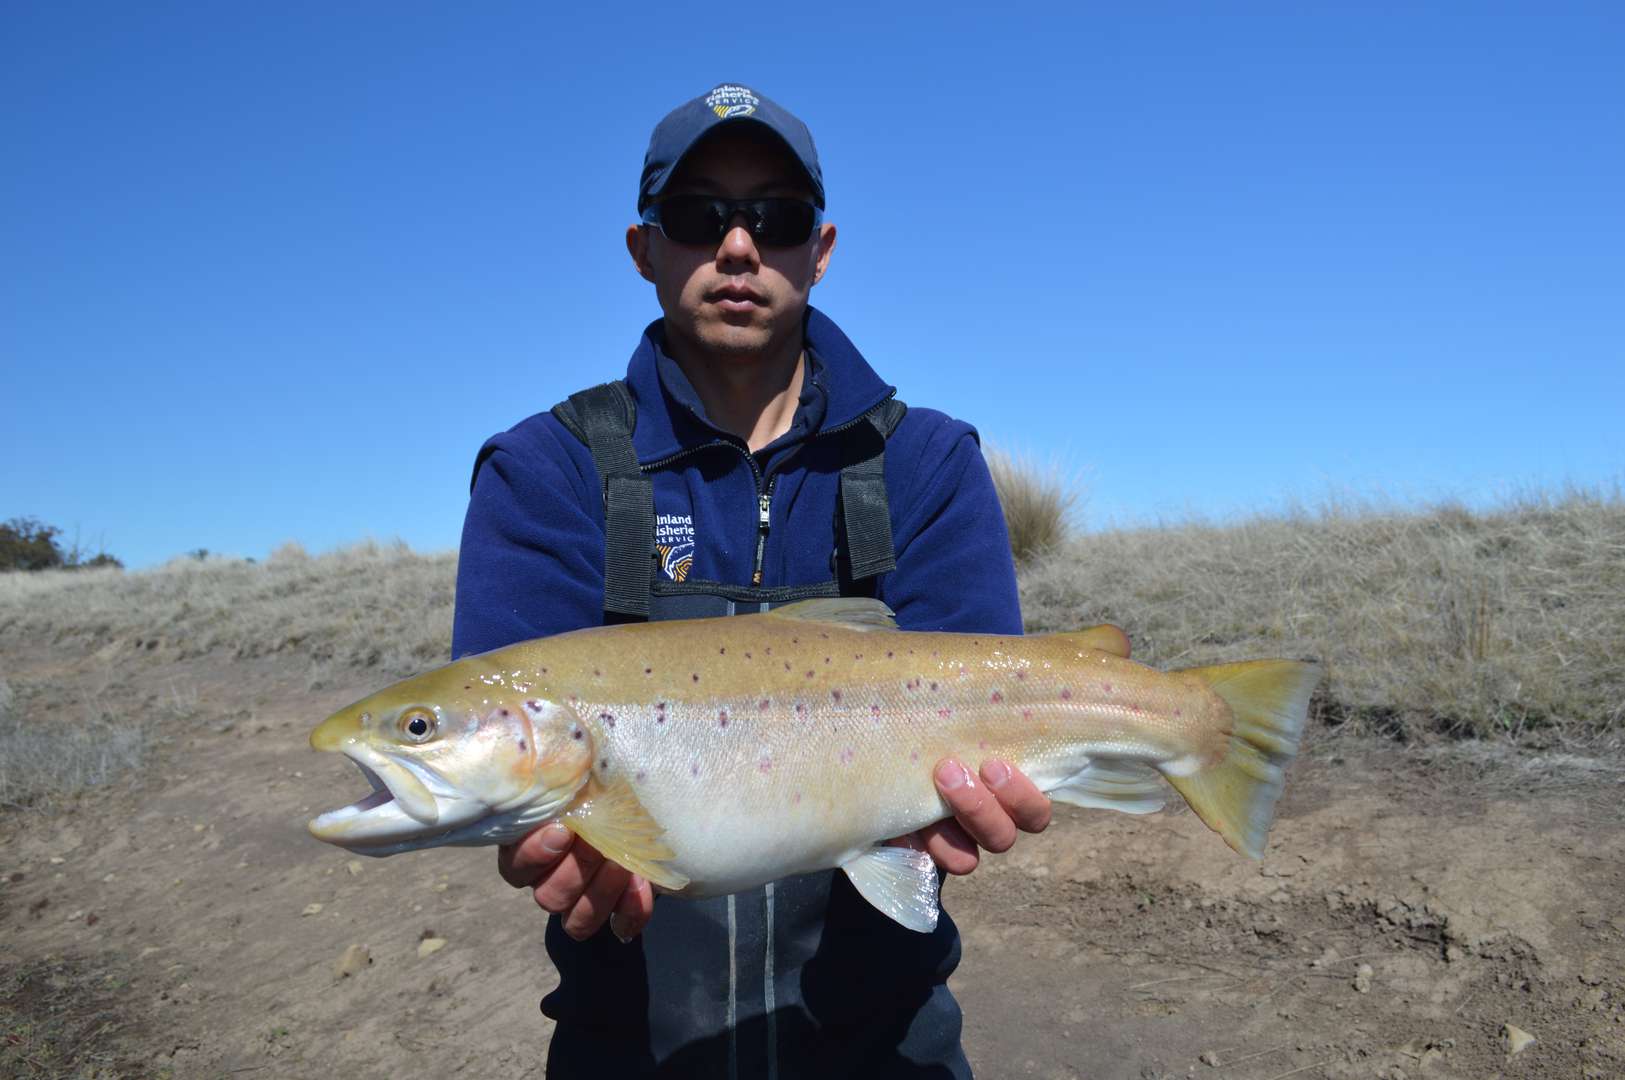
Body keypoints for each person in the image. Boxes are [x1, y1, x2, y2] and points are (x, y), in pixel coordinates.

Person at [452, 82, 1052, 1079]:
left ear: (816, 251)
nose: (737, 247)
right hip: (626, 1046)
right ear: (645, 250)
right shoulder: (542, 470)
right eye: (698, 218)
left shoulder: (932, 465)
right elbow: (517, 775)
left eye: (771, 219)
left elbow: (976, 753)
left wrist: (964, 805)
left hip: (889, 1045)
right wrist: (535, 837)